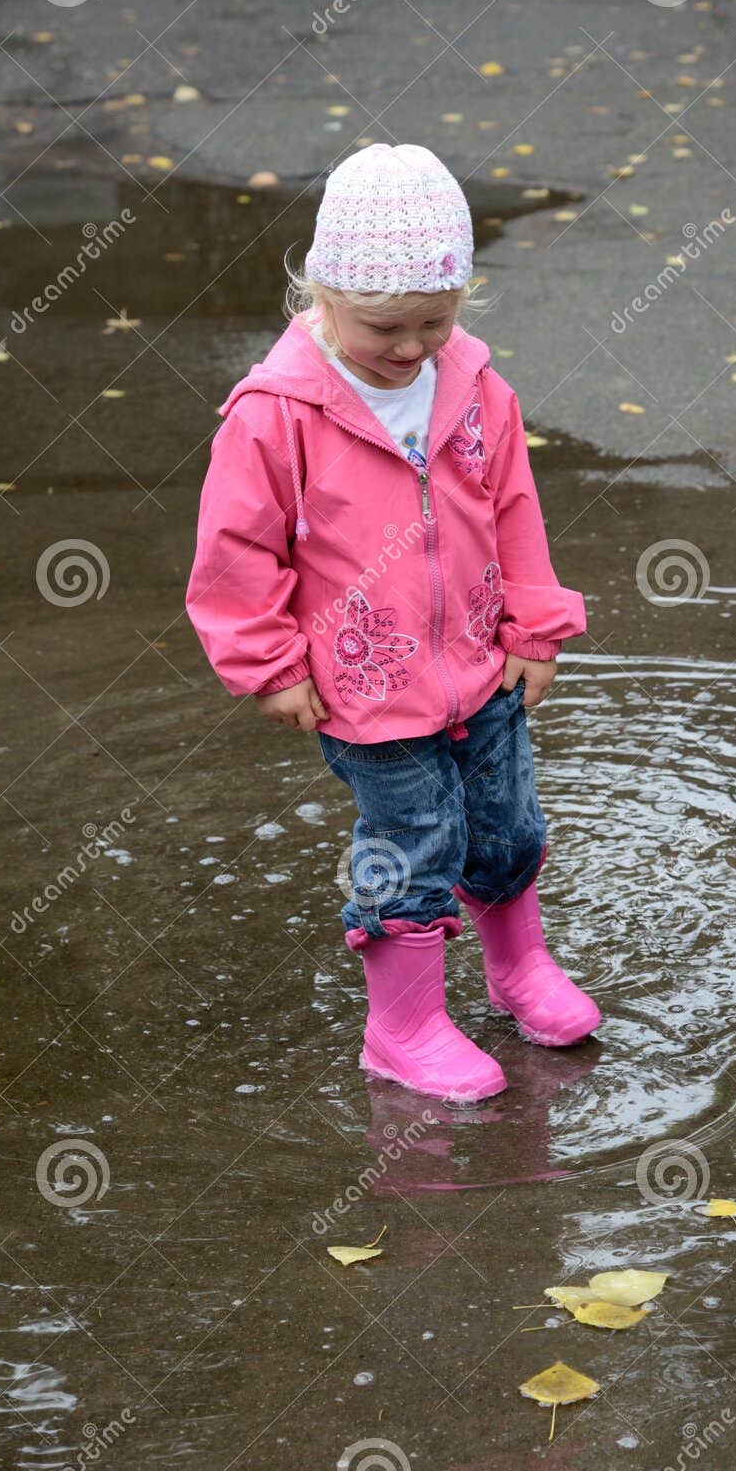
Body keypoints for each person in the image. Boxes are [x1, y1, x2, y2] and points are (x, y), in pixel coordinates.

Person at [186, 143, 600, 1104]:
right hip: (364, 684)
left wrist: (535, 626)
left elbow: (514, 509)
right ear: (322, 291)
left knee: (506, 824)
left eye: (435, 321)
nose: (413, 348)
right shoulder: (275, 415)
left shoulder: (475, 388)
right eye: (385, 327)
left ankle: (518, 969)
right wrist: (269, 662)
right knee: (414, 839)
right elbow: (236, 552)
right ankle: (403, 1027)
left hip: (483, 663)